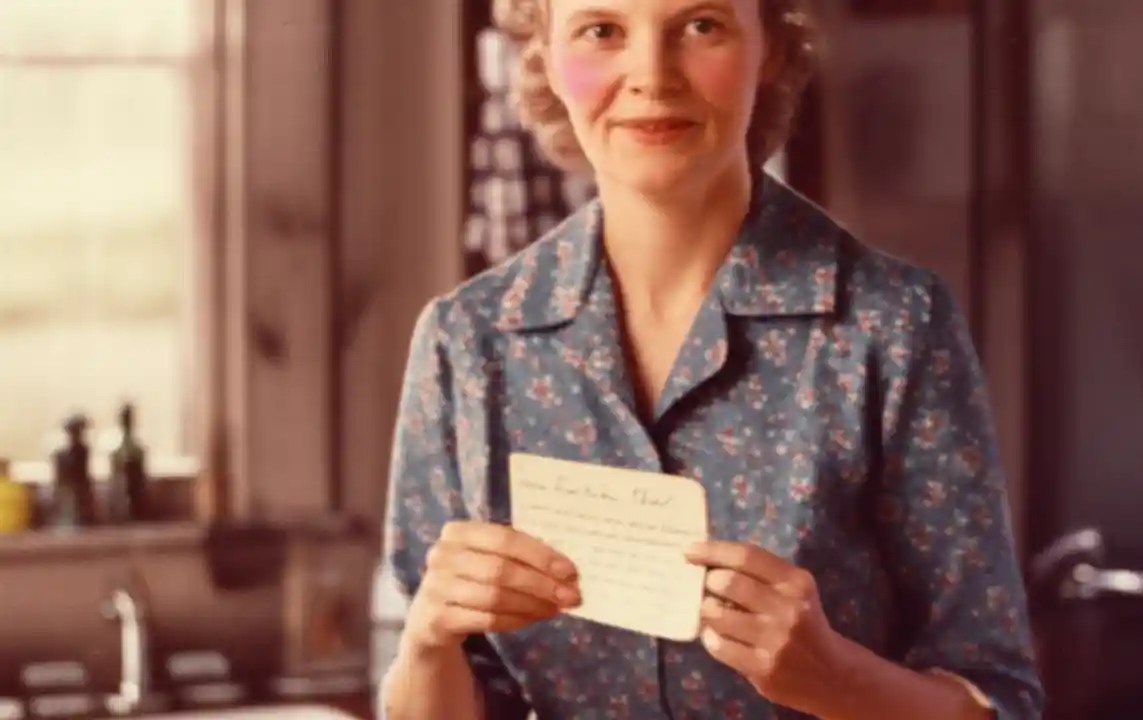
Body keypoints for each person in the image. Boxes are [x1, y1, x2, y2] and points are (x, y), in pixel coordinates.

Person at [380, 0, 1045, 717]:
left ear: (774, 52)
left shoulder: (893, 325)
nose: (651, 76)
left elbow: (997, 700)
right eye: (601, 31)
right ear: (543, 56)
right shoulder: (467, 342)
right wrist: (426, 647)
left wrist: (838, 680)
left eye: (700, 26)